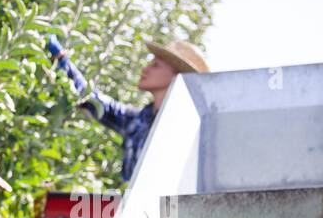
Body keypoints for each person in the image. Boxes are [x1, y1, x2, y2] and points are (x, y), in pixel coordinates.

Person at [44, 36, 209, 182]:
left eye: (156, 65)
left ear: (176, 77)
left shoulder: (183, 130)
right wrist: (61, 58)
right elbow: (93, 100)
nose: (146, 69)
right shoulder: (139, 121)